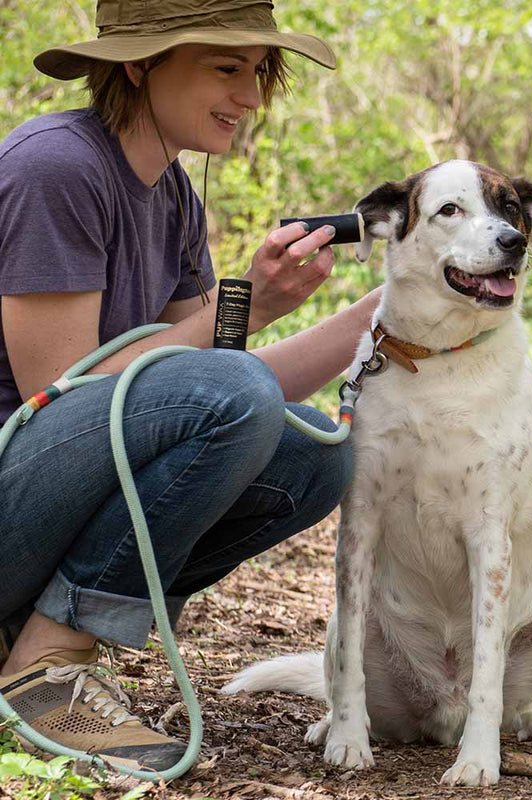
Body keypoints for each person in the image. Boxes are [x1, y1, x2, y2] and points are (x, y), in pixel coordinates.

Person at [0, 0, 379, 771]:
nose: (252, 97)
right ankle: (45, 668)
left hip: (56, 498)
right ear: (140, 64)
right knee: (236, 394)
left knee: (317, 457)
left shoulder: (172, 194)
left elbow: (217, 388)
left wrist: (381, 320)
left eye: (260, 74)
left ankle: (36, 634)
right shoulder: (55, 166)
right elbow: (61, 393)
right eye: (227, 68)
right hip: (17, 484)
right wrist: (255, 302)